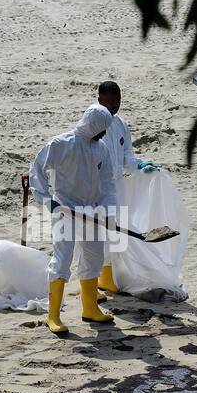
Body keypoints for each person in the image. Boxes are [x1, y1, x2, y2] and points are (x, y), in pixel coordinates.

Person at [28, 106, 119, 336]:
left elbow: (107, 183)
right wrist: (46, 201)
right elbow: (37, 168)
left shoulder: (101, 150)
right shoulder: (61, 144)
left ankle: (90, 308)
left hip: (92, 212)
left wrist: (107, 211)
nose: (103, 135)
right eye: (101, 130)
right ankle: (53, 316)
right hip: (64, 209)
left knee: (94, 256)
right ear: (91, 125)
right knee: (63, 258)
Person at [95, 81, 158, 294]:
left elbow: (125, 155)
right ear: (99, 100)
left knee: (117, 232)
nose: (114, 106)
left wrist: (139, 165)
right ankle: (99, 278)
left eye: (118, 101)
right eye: (110, 102)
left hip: (117, 186)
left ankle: (110, 275)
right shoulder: (92, 123)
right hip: (98, 189)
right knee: (99, 234)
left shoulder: (121, 124)